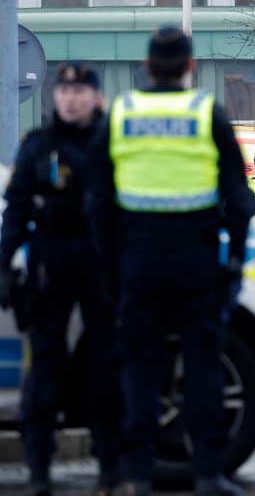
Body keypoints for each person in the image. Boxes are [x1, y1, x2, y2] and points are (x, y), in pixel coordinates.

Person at [85, 26, 255, 496]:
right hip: (195, 259)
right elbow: (238, 198)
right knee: (202, 364)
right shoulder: (206, 113)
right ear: (189, 67)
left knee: (141, 366)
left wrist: (109, 266)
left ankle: (138, 475)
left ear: (145, 66)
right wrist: (235, 261)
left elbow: (98, 201)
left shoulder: (121, 114)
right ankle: (207, 473)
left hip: (138, 260)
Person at [0, 63, 121, 496]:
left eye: (79, 90)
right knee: (47, 370)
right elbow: (15, 210)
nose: (70, 98)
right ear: (56, 97)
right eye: (64, 90)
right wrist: (3, 263)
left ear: (94, 96)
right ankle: (38, 471)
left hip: (102, 267)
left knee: (107, 371)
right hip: (50, 266)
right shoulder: (39, 146)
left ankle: (111, 468)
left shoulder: (113, 144)